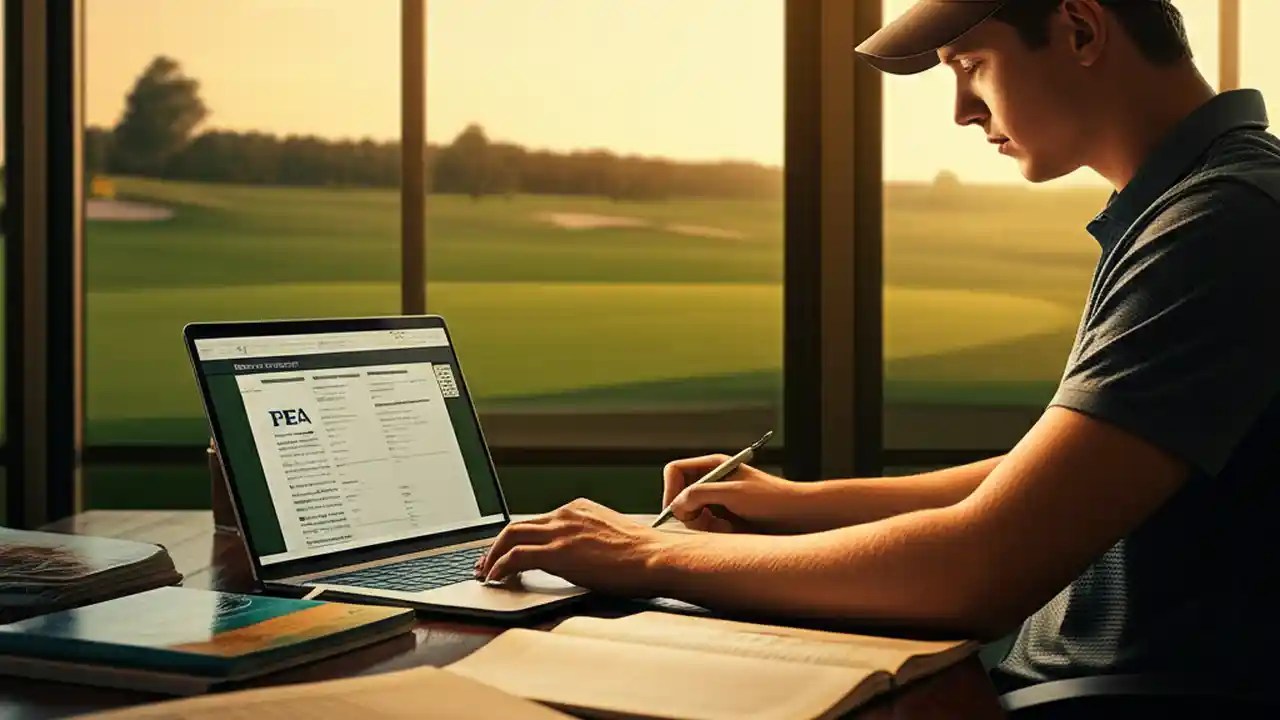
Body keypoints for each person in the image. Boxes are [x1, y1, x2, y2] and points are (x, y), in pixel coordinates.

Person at [475, 0, 1280, 703]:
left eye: (972, 64)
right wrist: (790, 502)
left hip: (1090, 704)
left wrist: (650, 555)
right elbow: (1058, 477)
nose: (963, 109)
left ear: (1077, 28)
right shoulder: (1198, 203)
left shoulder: (1221, 225)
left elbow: (981, 570)